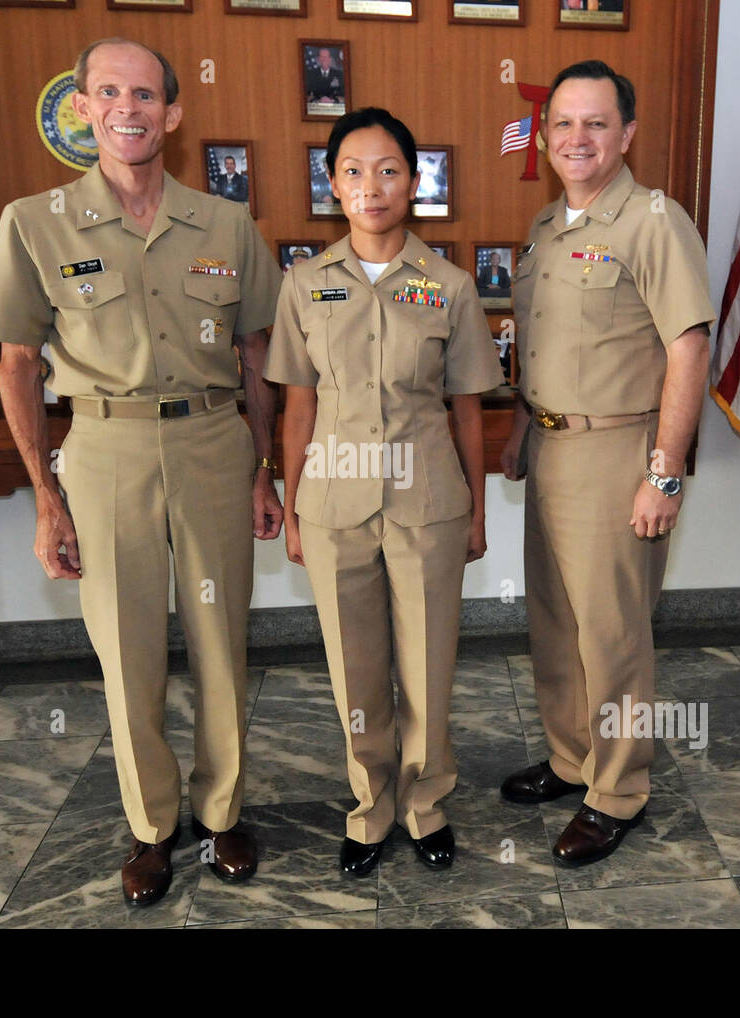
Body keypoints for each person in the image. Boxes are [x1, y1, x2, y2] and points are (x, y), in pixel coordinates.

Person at [0, 37, 283, 907]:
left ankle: (222, 814)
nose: (128, 110)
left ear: (173, 114)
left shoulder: (225, 224)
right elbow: (16, 365)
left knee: (223, 644)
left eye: (145, 95)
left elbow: (258, 354)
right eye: (108, 93)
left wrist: (265, 471)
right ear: (82, 107)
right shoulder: (33, 222)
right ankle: (151, 829)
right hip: (103, 453)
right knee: (127, 650)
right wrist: (47, 498)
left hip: (215, 446)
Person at [266, 108, 500, 877]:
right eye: (355, 171)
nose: (373, 185)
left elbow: (467, 407)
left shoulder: (452, 286)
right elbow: (297, 407)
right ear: (333, 185)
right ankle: (370, 810)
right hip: (333, 505)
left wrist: (476, 509)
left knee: (428, 669)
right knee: (354, 670)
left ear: (415, 182)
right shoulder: (303, 283)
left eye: (390, 169)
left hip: (427, 501)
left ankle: (427, 805)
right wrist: (294, 505)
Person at [499, 60, 714, 865]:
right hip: (552, 445)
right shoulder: (547, 226)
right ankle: (573, 759)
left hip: (619, 449)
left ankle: (619, 789)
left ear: (627, 133)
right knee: (555, 624)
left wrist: (664, 471)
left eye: (595, 123)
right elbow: (541, 340)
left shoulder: (654, 220)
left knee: (614, 635)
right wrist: (523, 426)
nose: (576, 137)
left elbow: (688, 346)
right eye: (562, 123)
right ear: (545, 134)